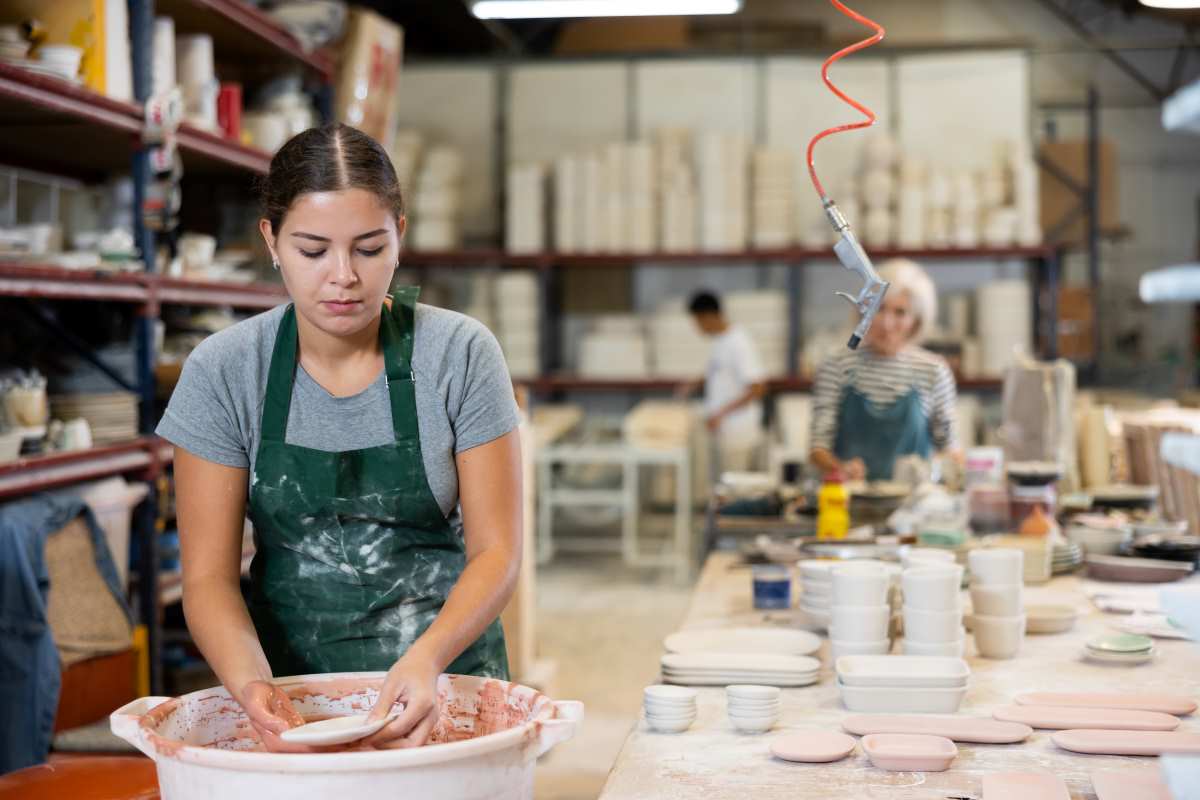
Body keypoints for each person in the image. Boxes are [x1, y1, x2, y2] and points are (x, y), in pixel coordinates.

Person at [156, 124, 522, 752]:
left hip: (444, 682)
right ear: (272, 241)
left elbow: (497, 552)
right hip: (294, 696)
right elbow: (209, 580)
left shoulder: (460, 353)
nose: (343, 276)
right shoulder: (225, 371)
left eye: (369, 248)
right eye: (313, 250)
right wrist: (253, 688)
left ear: (399, 236)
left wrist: (427, 660)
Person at [809, 259, 958, 481]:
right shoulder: (837, 365)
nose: (887, 323)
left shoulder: (934, 371)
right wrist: (840, 468)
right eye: (879, 309)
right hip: (848, 495)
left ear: (916, 321)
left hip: (915, 499)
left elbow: (950, 449)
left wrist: (930, 470)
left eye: (900, 312)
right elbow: (818, 449)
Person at [681, 290, 767, 473]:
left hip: (739, 433)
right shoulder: (720, 341)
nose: (697, 327)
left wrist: (721, 414)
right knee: (725, 484)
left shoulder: (739, 342)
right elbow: (719, 372)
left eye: (697, 321)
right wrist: (695, 383)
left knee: (737, 485)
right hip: (725, 431)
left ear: (709, 316)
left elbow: (758, 388)